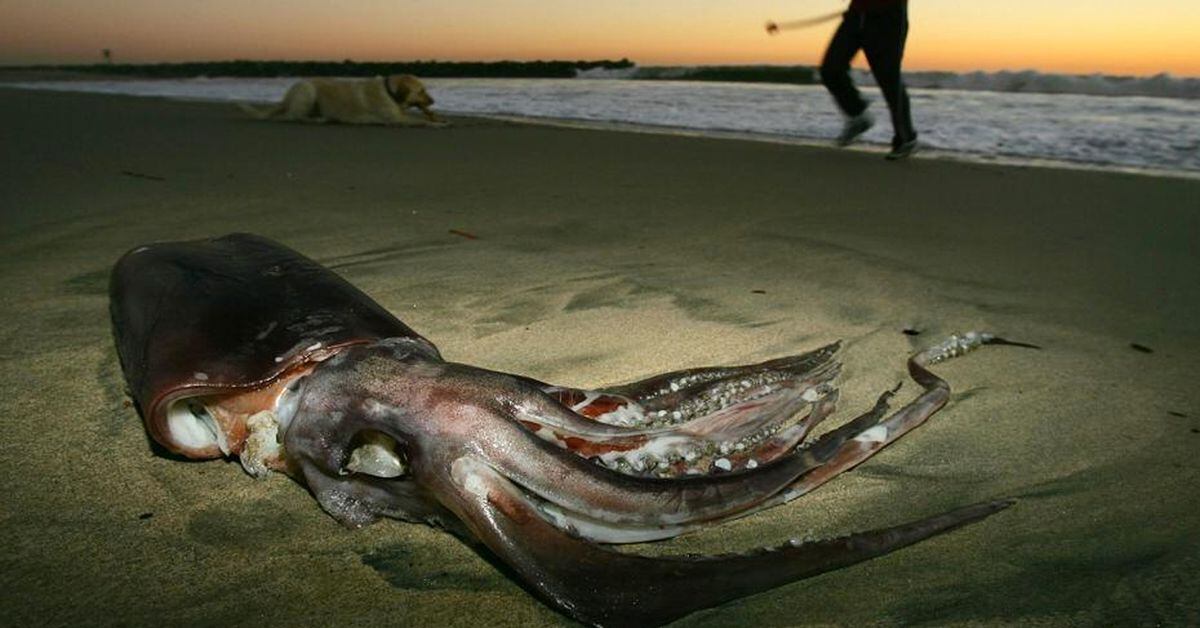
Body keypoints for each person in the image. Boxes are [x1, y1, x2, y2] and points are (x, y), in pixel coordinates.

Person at [818, 0, 917, 160]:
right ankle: (857, 116)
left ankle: (906, 138)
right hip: (856, 15)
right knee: (830, 69)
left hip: (888, 16)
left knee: (888, 77)